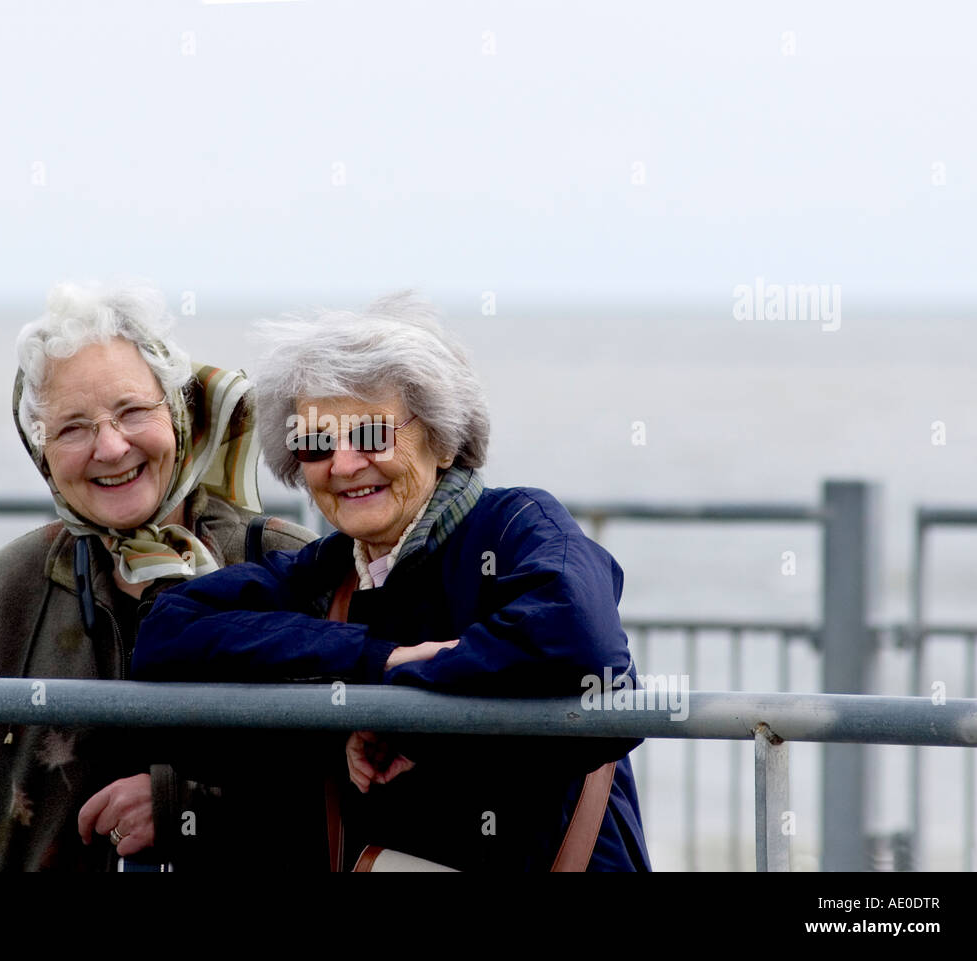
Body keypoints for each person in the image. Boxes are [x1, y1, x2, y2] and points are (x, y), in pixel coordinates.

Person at [132, 292, 651, 871]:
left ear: (444, 438)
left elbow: (581, 649)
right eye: (317, 442)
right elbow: (165, 638)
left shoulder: (516, 526)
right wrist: (377, 663)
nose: (345, 463)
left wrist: (405, 724)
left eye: (373, 434)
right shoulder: (327, 572)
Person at [0, 282, 316, 871]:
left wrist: (179, 804)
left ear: (179, 412)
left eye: (133, 411)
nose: (111, 448)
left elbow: (339, 787)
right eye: (72, 428)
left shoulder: (281, 562)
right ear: (41, 452)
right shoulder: (16, 582)